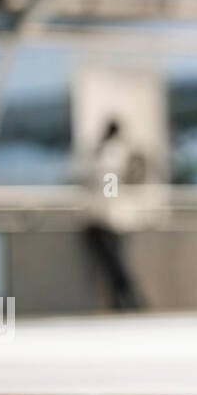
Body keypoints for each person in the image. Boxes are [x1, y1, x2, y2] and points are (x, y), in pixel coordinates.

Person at [82, 118, 143, 311]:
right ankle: (126, 299)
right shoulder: (116, 151)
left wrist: (106, 205)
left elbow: (108, 181)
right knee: (116, 261)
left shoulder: (107, 151)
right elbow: (110, 180)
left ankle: (127, 299)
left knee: (115, 261)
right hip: (111, 216)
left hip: (107, 216)